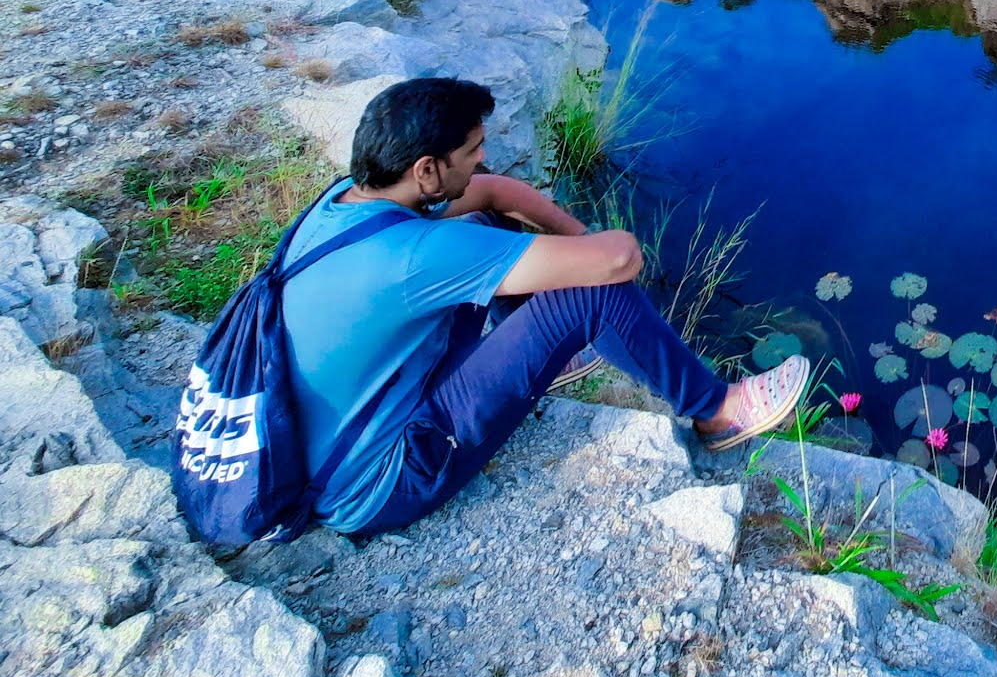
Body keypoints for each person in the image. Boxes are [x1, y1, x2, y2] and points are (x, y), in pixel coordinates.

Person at [279, 76, 808, 537]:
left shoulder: (348, 202)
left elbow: (493, 192)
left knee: (484, 226)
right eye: (472, 150)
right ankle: (717, 411)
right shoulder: (417, 254)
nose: (482, 156)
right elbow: (619, 259)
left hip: (332, 447)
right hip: (385, 480)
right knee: (590, 292)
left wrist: (574, 235)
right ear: (427, 170)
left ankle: (548, 358)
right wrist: (592, 248)